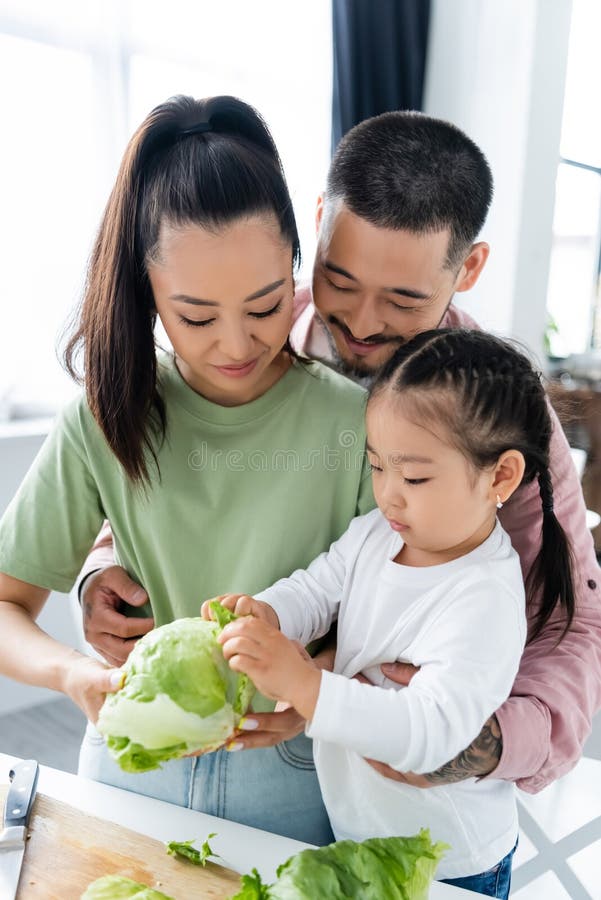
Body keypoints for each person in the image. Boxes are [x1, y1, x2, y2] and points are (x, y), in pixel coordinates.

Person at [80, 110, 601, 795]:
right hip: (212, 735)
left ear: (468, 268)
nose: (360, 322)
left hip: (374, 781)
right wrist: (104, 565)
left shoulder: (496, 412)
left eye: (402, 300)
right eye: (341, 281)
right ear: (321, 221)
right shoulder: (254, 325)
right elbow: (177, 470)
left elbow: (571, 618)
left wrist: (486, 744)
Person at [0, 94, 376, 844]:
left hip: (294, 769)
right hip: (130, 762)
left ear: (295, 269)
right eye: (196, 317)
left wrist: (316, 688)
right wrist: (75, 675)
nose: (235, 345)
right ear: (147, 293)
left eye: (266, 307)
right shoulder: (104, 415)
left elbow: (395, 620)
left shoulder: (355, 424)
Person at [205, 328, 576, 898]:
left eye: (415, 477)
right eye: (377, 467)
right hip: (363, 834)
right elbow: (316, 589)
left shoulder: (484, 597)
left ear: (500, 476)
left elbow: (430, 735)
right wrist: (269, 612)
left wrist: (304, 683)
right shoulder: (377, 534)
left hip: (450, 863)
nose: (389, 494)